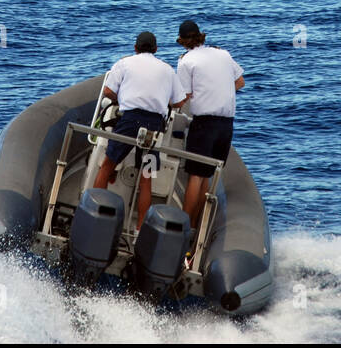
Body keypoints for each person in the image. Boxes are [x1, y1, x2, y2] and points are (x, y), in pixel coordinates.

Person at [92, 31, 187, 228]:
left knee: (107, 165)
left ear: (135, 48)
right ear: (156, 49)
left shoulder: (125, 63)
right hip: (154, 126)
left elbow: (108, 91)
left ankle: (95, 214)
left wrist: (122, 99)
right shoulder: (167, 70)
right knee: (146, 177)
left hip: (129, 121)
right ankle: (140, 227)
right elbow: (179, 101)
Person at [175, 20, 244, 231]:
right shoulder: (223, 54)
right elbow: (240, 82)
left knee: (195, 176)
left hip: (204, 124)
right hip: (226, 124)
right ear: (200, 36)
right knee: (206, 175)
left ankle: (184, 227)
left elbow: (184, 96)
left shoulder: (186, 61)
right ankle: (196, 227)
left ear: (182, 41)